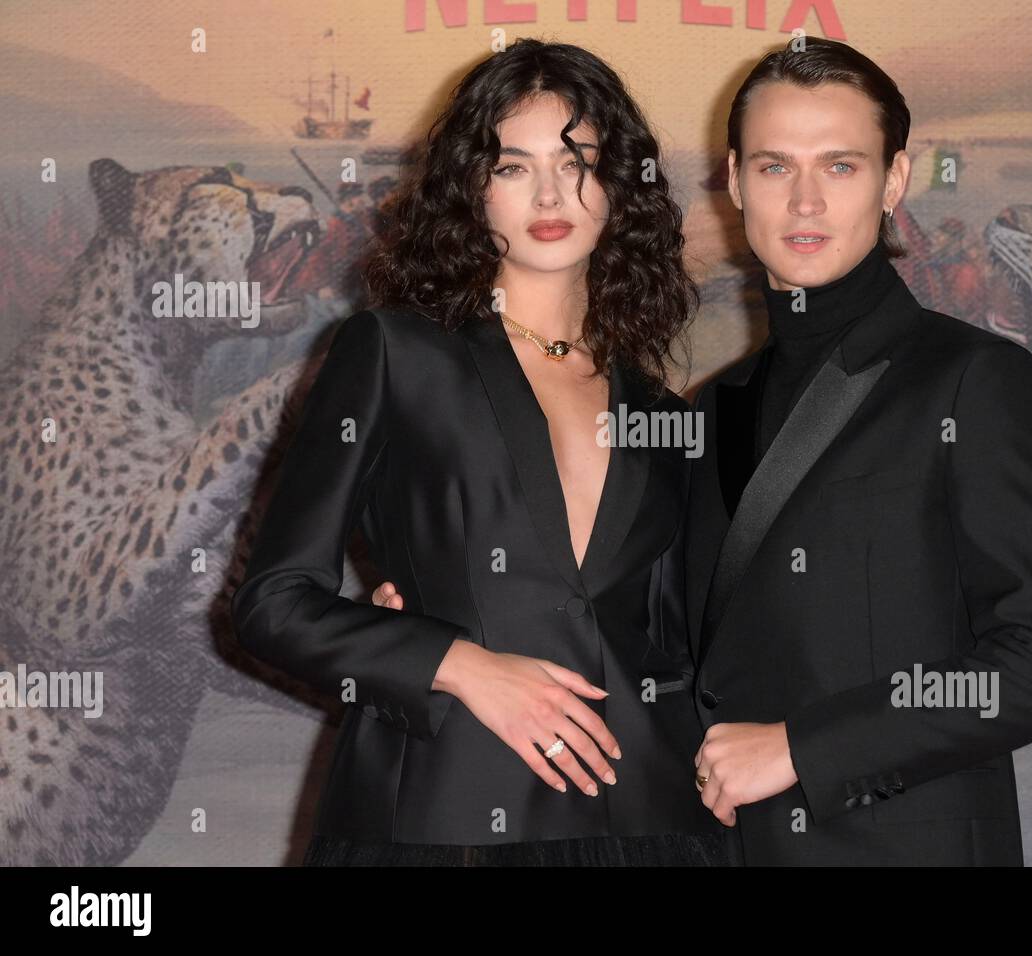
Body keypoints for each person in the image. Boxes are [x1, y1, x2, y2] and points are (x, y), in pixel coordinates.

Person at [231, 39, 734, 866]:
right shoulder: (394, 355)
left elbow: (686, 638)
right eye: (511, 167)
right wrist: (454, 662)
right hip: (442, 812)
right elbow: (274, 602)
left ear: (618, 185)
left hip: (647, 820)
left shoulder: (664, 413)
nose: (549, 192)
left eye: (578, 162)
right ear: (472, 190)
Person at [679, 37, 1032, 865]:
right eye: (774, 167)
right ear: (733, 182)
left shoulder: (974, 380)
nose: (805, 201)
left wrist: (805, 747)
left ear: (894, 181)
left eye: (839, 166)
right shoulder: (711, 408)